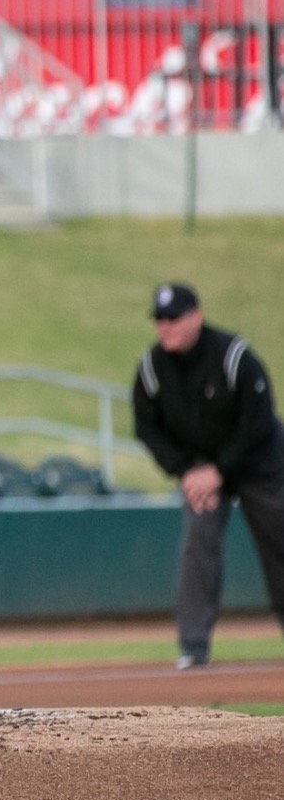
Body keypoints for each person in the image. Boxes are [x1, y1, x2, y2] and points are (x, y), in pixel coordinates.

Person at [132, 282, 284, 670]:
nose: (166, 327)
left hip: (257, 462)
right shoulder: (152, 368)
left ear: (196, 315)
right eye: (160, 320)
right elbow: (147, 427)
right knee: (196, 545)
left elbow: (258, 420)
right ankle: (193, 648)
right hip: (201, 470)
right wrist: (186, 470)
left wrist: (221, 470)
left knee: (279, 541)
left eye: (174, 318)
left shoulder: (232, 355)